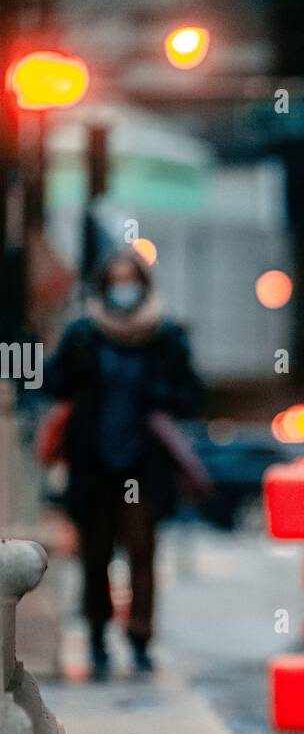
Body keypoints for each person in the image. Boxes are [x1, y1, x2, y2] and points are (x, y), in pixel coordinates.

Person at [44, 250, 203, 678]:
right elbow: (55, 383)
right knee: (94, 557)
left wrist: (159, 396)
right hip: (94, 465)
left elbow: (192, 394)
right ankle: (97, 636)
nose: (122, 286)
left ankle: (140, 639)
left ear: (143, 283)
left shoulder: (166, 335)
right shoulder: (84, 333)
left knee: (142, 556)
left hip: (143, 468)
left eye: (129, 278)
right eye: (114, 278)